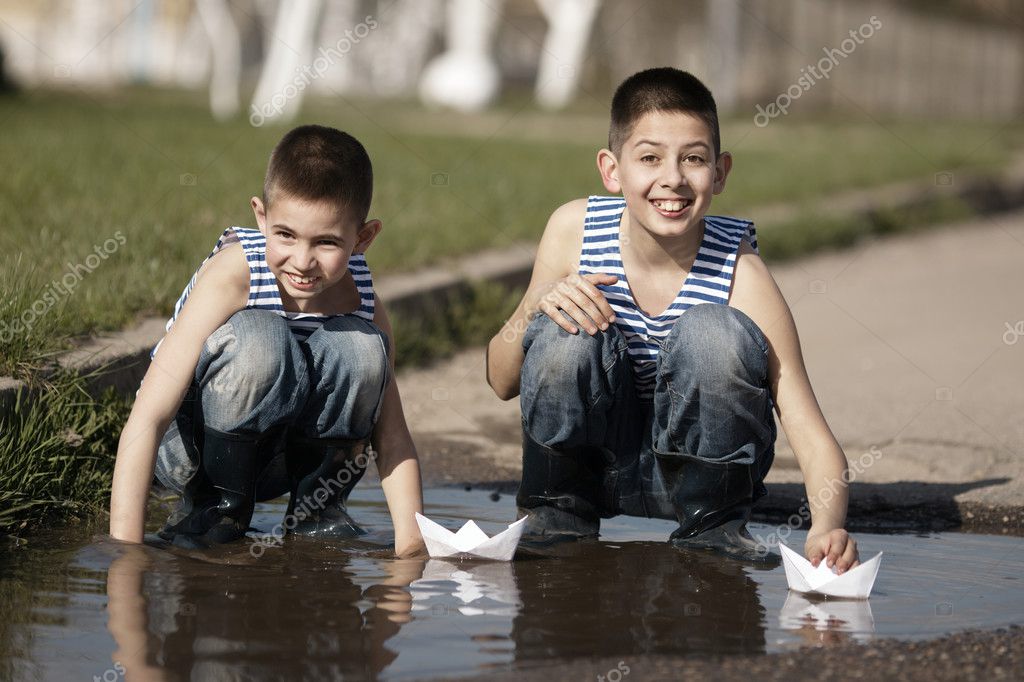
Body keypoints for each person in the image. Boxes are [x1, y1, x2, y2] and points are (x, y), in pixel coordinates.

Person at [486, 67, 859, 569]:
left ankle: (713, 529)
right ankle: (556, 519)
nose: (673, 178)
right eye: (649, 158)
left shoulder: (742, 271)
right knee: (560, 329)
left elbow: (807, 426)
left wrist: (828, 526)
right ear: (612, 169)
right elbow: (500, 379)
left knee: (713, 332)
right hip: (594, 473)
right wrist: (536, 302)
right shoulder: (573, 230)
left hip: (691, 485)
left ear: (720, 172)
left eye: (694, 159)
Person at [109, 125, 424, 557]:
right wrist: (125, 556)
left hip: (277, 456)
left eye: (327, 242)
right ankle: (213, 513)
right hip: (194, 451)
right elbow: (148, 418)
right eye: (286, 235)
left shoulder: (362, 298)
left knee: (364, 347)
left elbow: (392, 437)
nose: (302, 261)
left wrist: (413, 547)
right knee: (262, 340)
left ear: (363, 238)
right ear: (261, 217)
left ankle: (317, 514)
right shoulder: (234, 274)